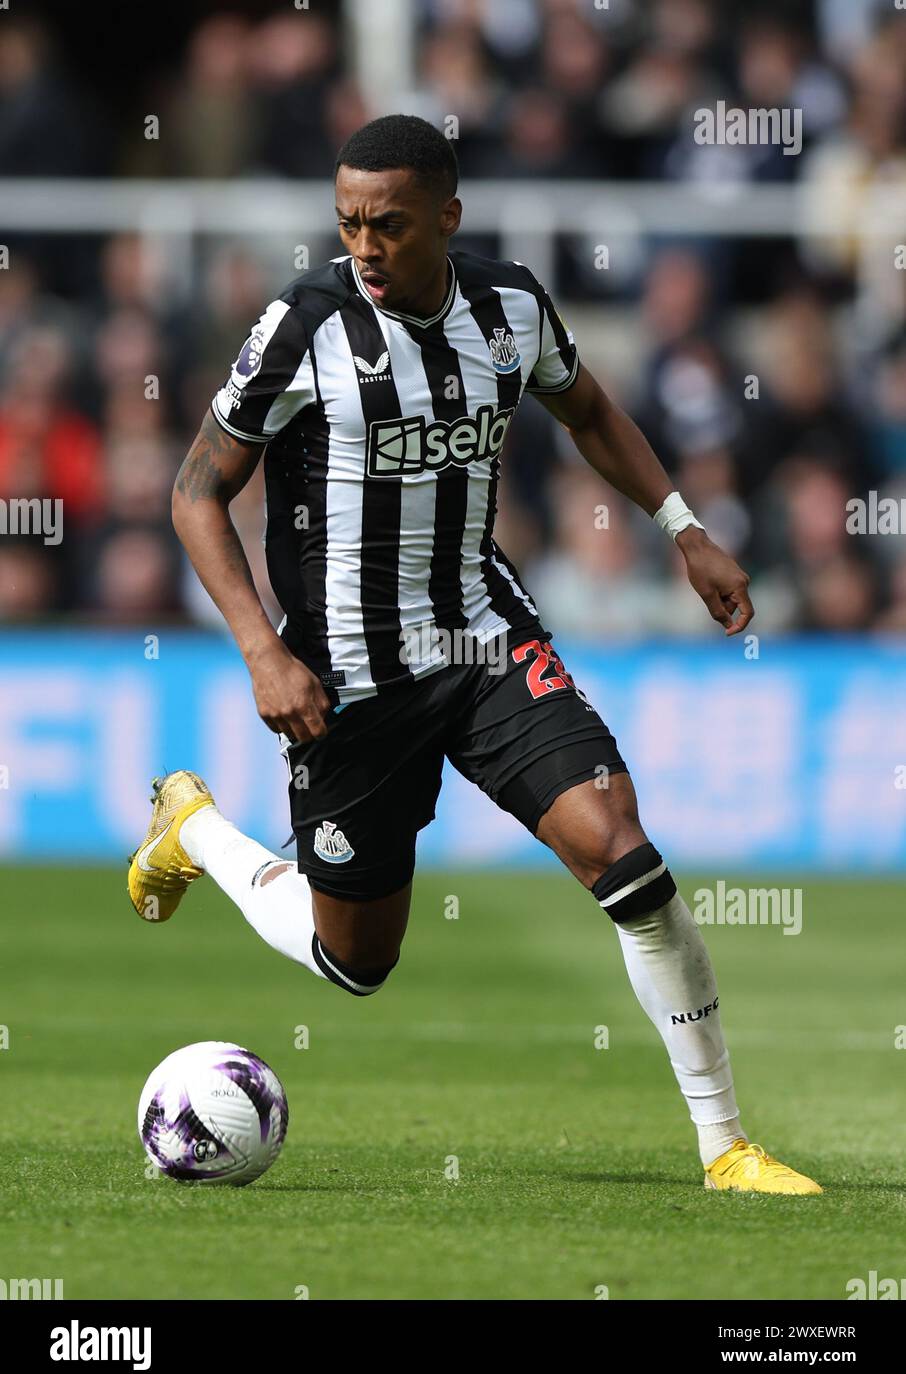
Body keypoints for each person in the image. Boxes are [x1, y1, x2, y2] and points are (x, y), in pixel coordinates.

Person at [128, 115, 820, 1195]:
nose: (364, 244)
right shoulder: (303, 324)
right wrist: (265, 649)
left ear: (447, 217)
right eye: (349, 221)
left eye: (389, 225)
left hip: (485, 640)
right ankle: (197, 827)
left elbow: (587, 407)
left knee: (624, 853)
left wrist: (682, 523)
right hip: (348, 676)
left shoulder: (508, 307)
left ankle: (726, 1145)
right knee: (356, 962)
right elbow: (195, 487)